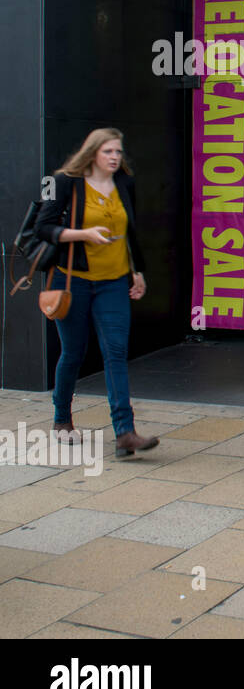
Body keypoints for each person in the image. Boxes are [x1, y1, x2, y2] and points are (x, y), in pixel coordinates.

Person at [35, 128, 158, 458]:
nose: (115, 157)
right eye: (108, 152)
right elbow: (43, 227)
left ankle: (125, 433)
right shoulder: (64, 181)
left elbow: (131, 231)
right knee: (73, 352)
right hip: (72, 280)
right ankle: (62, 419)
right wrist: (83, 233)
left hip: (114, 282)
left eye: (118, 151)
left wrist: (137, 271)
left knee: (116, 352)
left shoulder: (124, 184)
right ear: (92, 153)